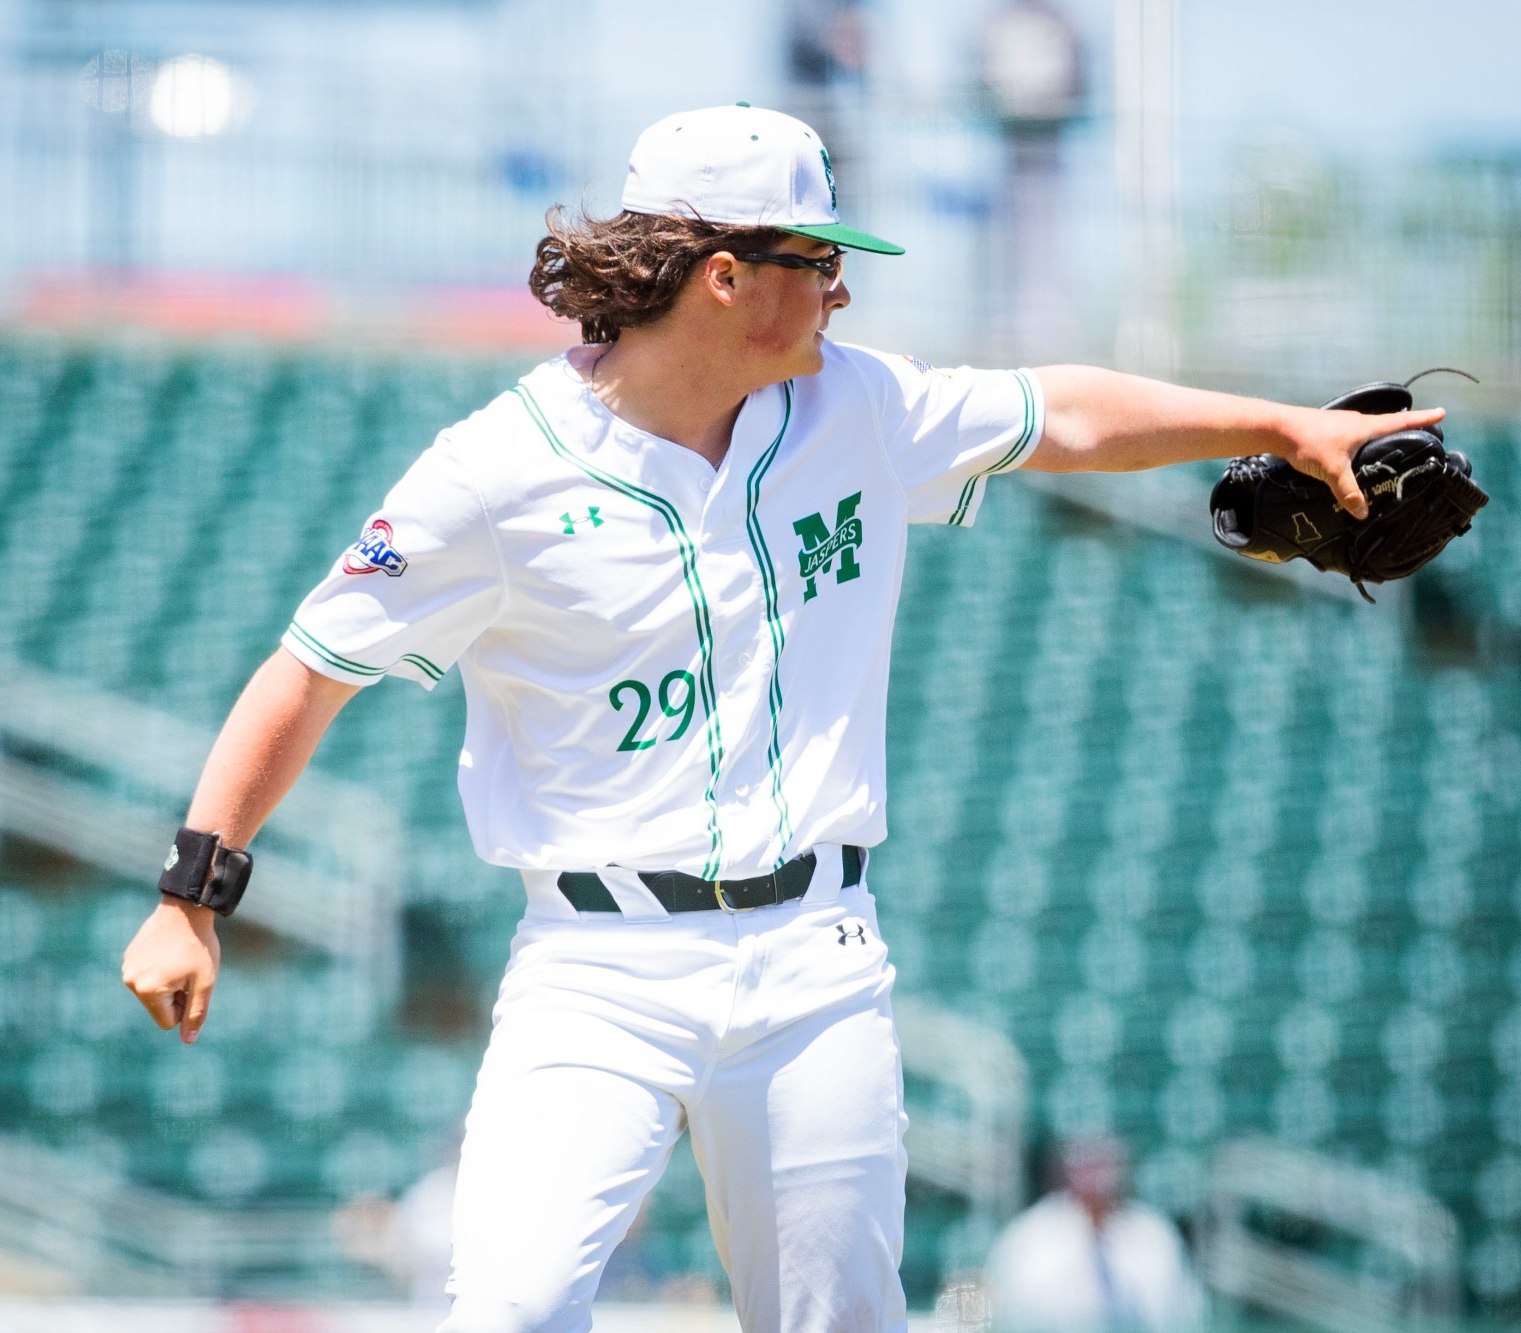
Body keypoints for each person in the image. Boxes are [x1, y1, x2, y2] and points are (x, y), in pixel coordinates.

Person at [119, 104, 1444, 1331]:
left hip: (817, 958)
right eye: (818, 256)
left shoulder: (856, 408)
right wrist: (193, 893)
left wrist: (1277, 419)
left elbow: (1066, 412)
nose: (844, 285)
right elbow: (305, 669)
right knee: (509, 1314)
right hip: (597, 971)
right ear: (723, 273)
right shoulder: (498, 473)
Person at [985, 1138, 1205, 1333]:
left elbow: (1185, 1311)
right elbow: (1010, 1312)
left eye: (1103, 1159)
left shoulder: (1154, 1232)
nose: (1094, 1172)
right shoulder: (1027, 1235)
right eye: (1084, 1159)